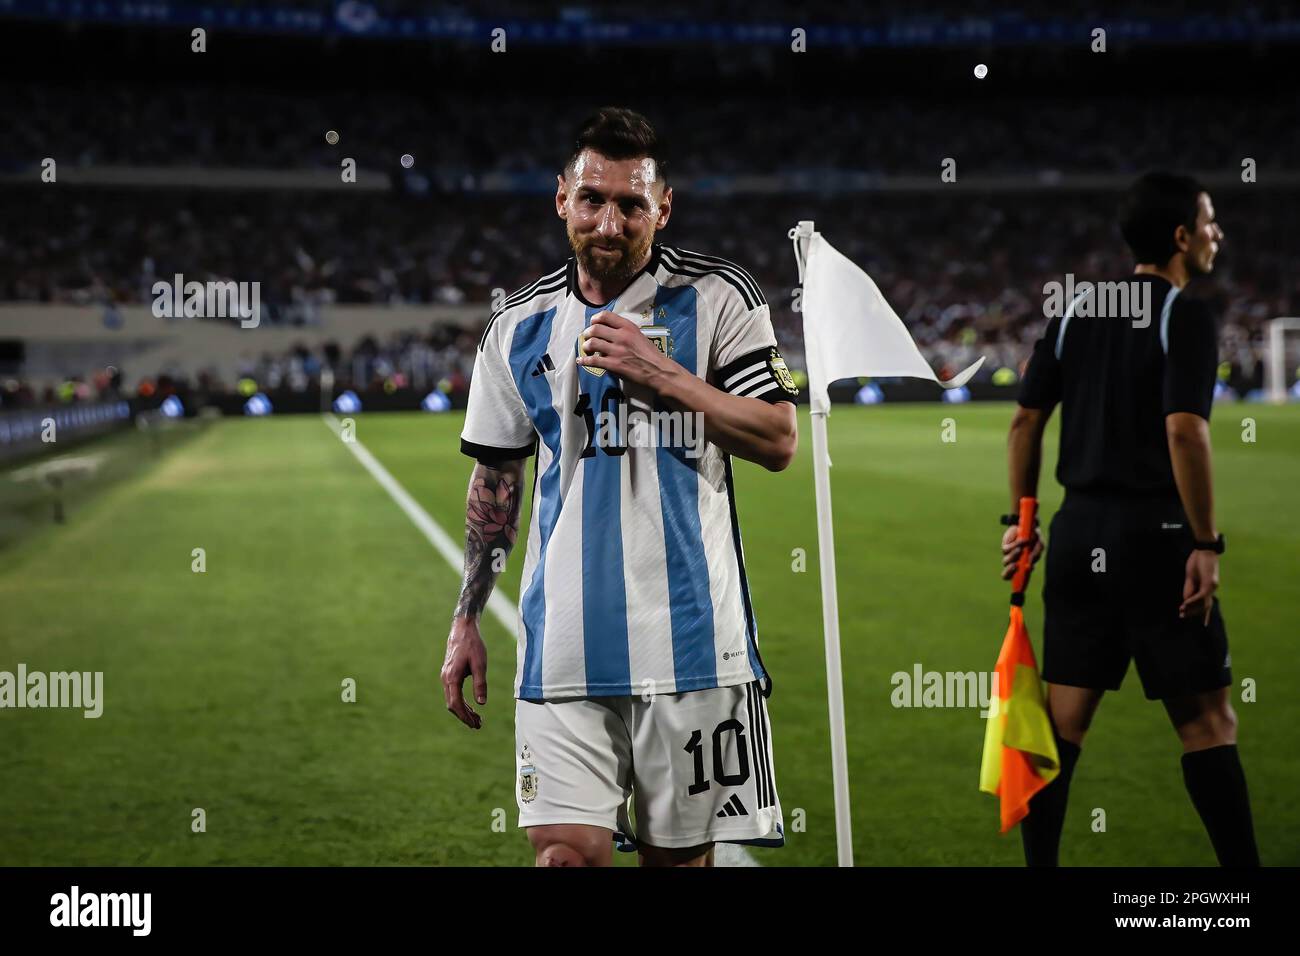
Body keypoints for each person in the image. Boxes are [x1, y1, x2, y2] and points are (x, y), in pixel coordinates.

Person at [443, 107, 800, 867]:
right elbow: (495, 481)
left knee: (680, 862)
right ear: (562, 199)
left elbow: (777, 439)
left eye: (632, 204)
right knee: (563, 856)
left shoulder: (721, 297)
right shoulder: (518, 326)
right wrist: (466, 617)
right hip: (563, 644)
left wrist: (663, 373)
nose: (610, 223)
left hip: (693, 646)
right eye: (593, 199)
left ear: (663, 209)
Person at [1004, 171, 1259, 866]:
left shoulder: (1077, 311)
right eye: (1208, 221)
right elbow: (1185, 431)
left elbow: (1025, 421)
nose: (1216, 233)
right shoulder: (1186, 314)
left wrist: (1021, 522)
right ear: (1180, 236)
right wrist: (1205, 542)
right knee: (1207, 724)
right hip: (1158, 541)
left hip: (1077, 535)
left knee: (1062, 728)